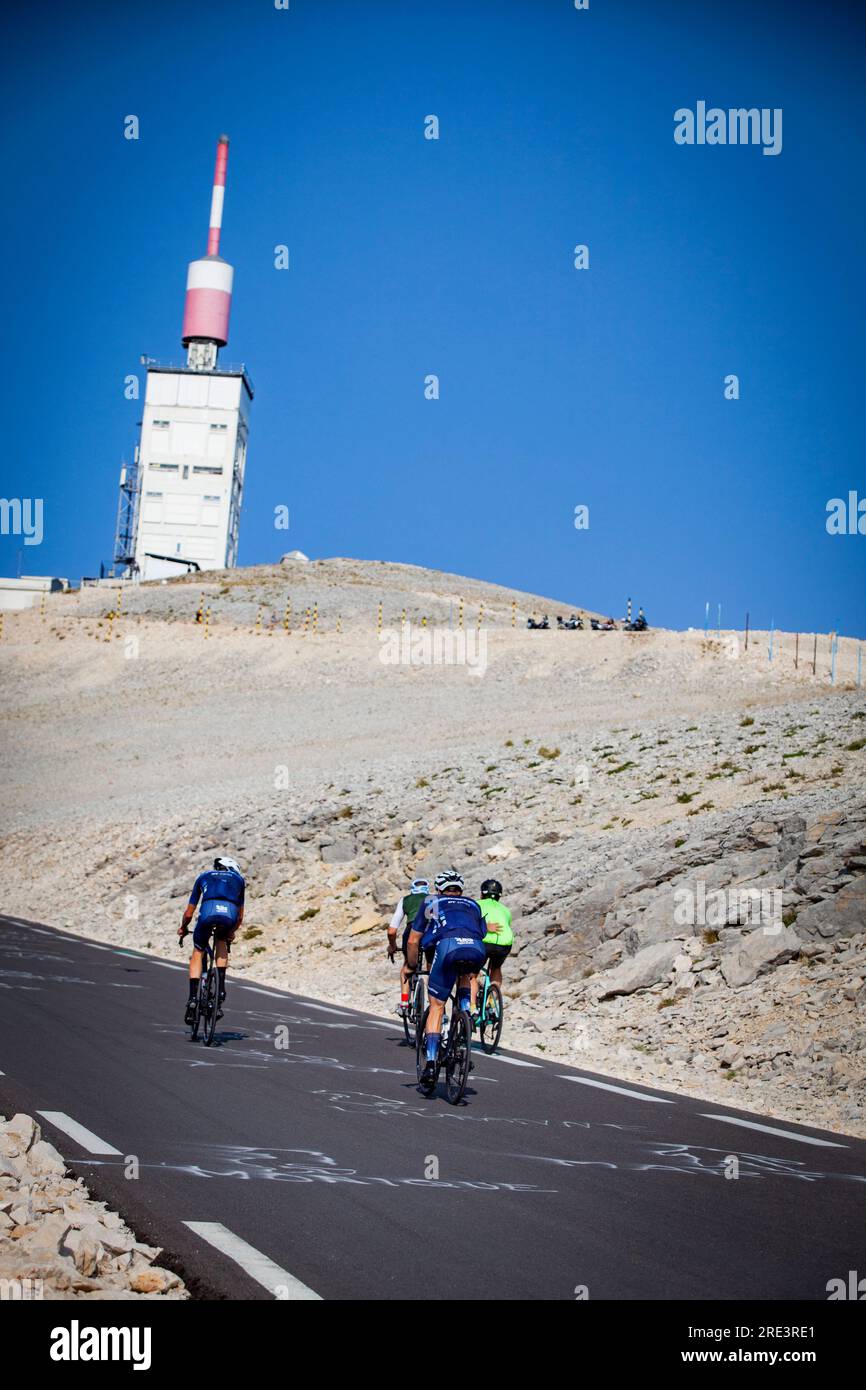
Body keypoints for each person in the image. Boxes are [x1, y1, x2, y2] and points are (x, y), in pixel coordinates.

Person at [406, 868, 486, 1087]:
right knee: (467, 974)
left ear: (438, 889)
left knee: (437, 1005)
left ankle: (431, 1063)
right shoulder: (473, 904)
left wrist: (412, 965)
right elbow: (482, 932)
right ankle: (466, 1014)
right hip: (477, 948)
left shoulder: (431, 900)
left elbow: (414, 941)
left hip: (448, 946)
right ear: (461, 890)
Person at [178, 856, 245, 1024]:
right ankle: (221, 989)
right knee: (222, 940)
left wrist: (183, 928)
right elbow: (240, 917)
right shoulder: (239, 880)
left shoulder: (203, 876)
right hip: (229, 914)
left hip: (208, 912)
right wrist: (231, 932)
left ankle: (193, 998)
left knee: (198, 950)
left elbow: (188, 913)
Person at [386, 876, 431, 1015]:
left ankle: (404, 1003)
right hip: (431, 933)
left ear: (412, 890)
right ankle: (434, 1005)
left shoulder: (405, 900)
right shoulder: (433, 899)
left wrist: (392, 946)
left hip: (411, 933)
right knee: (432, 969)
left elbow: (392, 930)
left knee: (407, 968)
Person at [474, 878, 514, 1008]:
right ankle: (491, 1003)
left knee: (471, 974)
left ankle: (472, 1007)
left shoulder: (476, 905)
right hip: (504, 943)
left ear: (482, 893)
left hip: (484, 942)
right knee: (496, 968)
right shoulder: (506, 910)